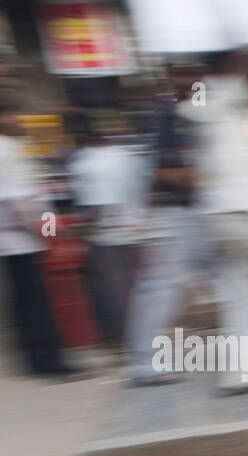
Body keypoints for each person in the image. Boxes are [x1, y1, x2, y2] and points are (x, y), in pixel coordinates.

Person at [187, 49, 248, 392]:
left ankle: (241, 372)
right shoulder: (241, 104)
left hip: (216, 213)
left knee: (239, 291)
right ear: (240, 68)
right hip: (245, 212)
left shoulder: (205, 103)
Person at [122, 61, 207, 385]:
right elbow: (162, 170)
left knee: (236, 278)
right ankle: (144, 362)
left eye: (191, 72)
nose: (187, 80)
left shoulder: (199, 112)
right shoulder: (171, 117)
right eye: (180, 73)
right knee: (159, 288)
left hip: (199, 213)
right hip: (176, 215)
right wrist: (211, 180)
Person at [0, 98, 75, 377]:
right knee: (36, 303)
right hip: (20, 239)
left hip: (12, 240)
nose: (18, 118)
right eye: (12, 113)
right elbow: (19, 202)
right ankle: (50, 363)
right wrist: (49, 232)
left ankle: (33, 360)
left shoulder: (10, 148)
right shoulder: (7, 150)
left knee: (23, 301)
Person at [66, 110, 147, 356]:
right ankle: (140, 338)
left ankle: (130, 344)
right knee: (135, 289)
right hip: (137, 230)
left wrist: (78, 229)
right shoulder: (126, 156)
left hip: (108, 236)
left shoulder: (86, 163)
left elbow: (97, 206)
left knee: (116, 291)